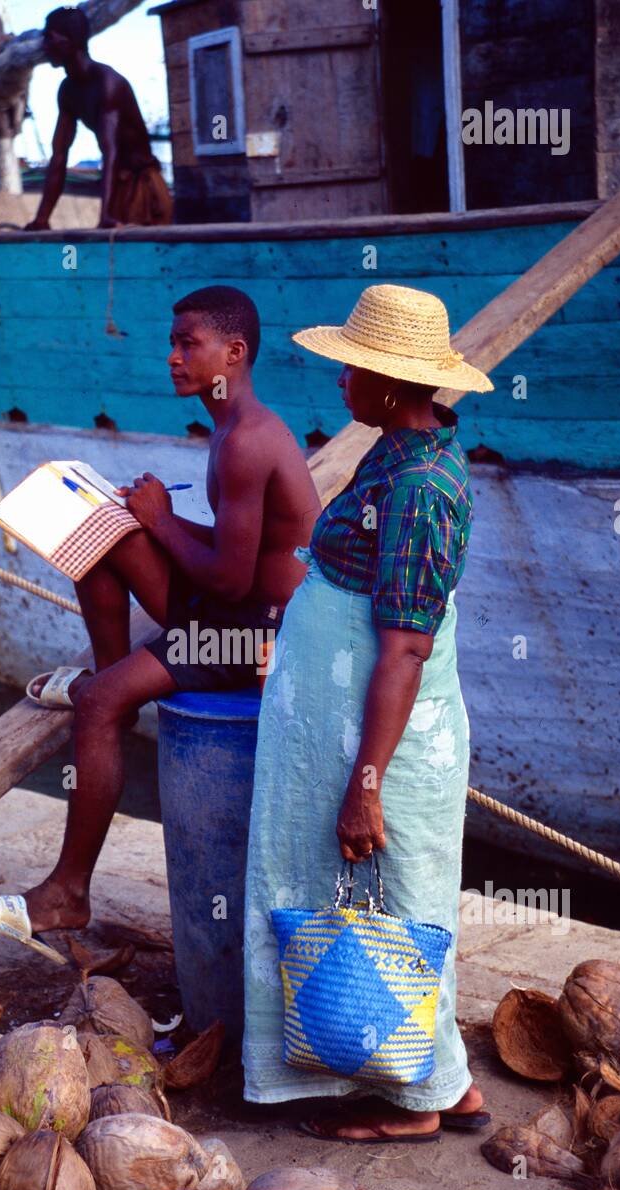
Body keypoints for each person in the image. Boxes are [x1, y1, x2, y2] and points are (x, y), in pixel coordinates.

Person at [0, 285, 320, 956]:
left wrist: (158, 520)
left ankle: (67, 893)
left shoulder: (248, 441)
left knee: (96, 704)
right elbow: (227, 558)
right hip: (231, 611)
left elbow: (231, 578)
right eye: (173, 343)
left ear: (234, 353)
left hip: (255, 637)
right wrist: (144, 518)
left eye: (189, 344)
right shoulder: (232, 426)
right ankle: (114, 686)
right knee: (97, 533)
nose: (172, 357)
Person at [243, 282, 496, 1142]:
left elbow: (406, 649)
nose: (340, 378)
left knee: (396, 901)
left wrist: (367, 782)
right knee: (381, 899)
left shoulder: (423, 486)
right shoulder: (397, 450)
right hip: (348, 724)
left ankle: (410, 1103)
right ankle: (444, 1081)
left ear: (391, 383)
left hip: (379, 736)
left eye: (353, 365)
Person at [26, 6, 172, 230]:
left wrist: (106, 215)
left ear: (71, 40)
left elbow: (110, 152)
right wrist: (42, 219)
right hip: (119, 187)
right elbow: (59, 157)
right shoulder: (67, 91)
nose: (44, 46)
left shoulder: (107, 84)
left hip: (143, 188)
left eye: (49, 37)